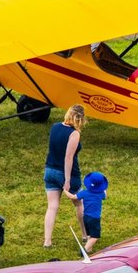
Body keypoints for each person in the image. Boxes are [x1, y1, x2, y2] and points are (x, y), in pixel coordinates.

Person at [43, 105, 86, 248]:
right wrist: (67, 180)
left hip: (50, 170)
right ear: (80, 119)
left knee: (52, 207)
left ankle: (47, 241)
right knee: (79, 203)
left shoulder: (54, 126)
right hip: (68, 173)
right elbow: (68, 157)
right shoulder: (74, 134)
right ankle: (85, 234)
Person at [66, 172, 108, 253]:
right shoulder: (101, 193)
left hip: (85, 217)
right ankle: (84, 250)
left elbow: (72, 197)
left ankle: (89, 249)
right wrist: (104, 188)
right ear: (101, 186)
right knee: (95, 236)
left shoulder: (84, 193)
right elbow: (105, 197)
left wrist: (64, 190)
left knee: (89, 234)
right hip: (95, 218)